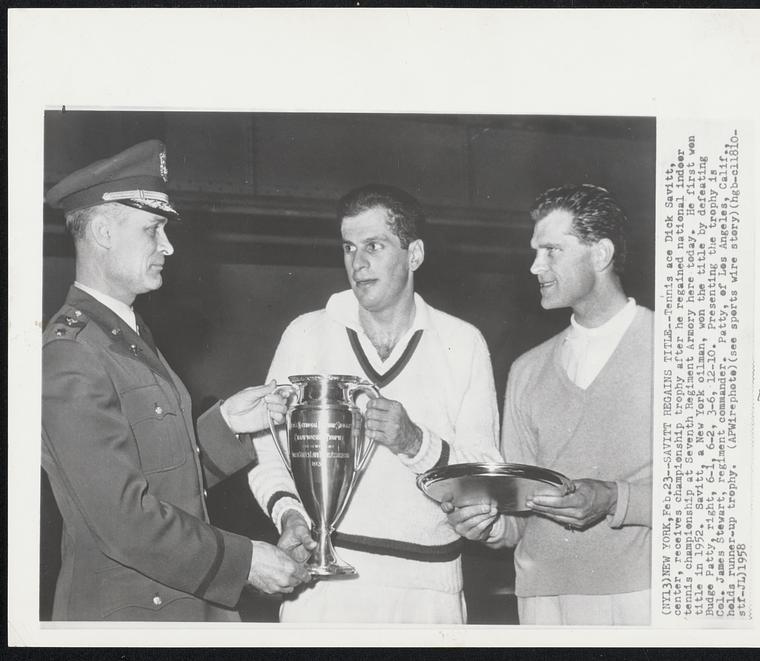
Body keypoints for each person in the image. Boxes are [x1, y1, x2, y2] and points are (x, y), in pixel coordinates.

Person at [41, 140, 311, 621]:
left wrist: (227, 424)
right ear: (103, 231)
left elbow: (162, 475)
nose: (168, 246)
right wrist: (246, 562)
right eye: (153, 229)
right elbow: (124, 519)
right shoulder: (71, 353)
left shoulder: (124, 334)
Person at [247, 184, 502, 623]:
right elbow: (267, 451)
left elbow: (483, 476)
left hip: (428, 589)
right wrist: (289, 514)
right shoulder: (306, 334)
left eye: (374, 246)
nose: (357, 263)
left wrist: (415, 443)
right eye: (348, 247)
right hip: (323, 587)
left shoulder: (463, 342)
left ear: (414, 254)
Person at [444, 184, 652, 626]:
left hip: (644, 593)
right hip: (541, 599)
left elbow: (722, 497)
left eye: (551, 250)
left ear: (601, 254)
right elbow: (517, 516)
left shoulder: (681, 350)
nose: (535, 266)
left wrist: (615, 499)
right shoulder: (526, 369)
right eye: (535, 252)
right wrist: (486, 523)